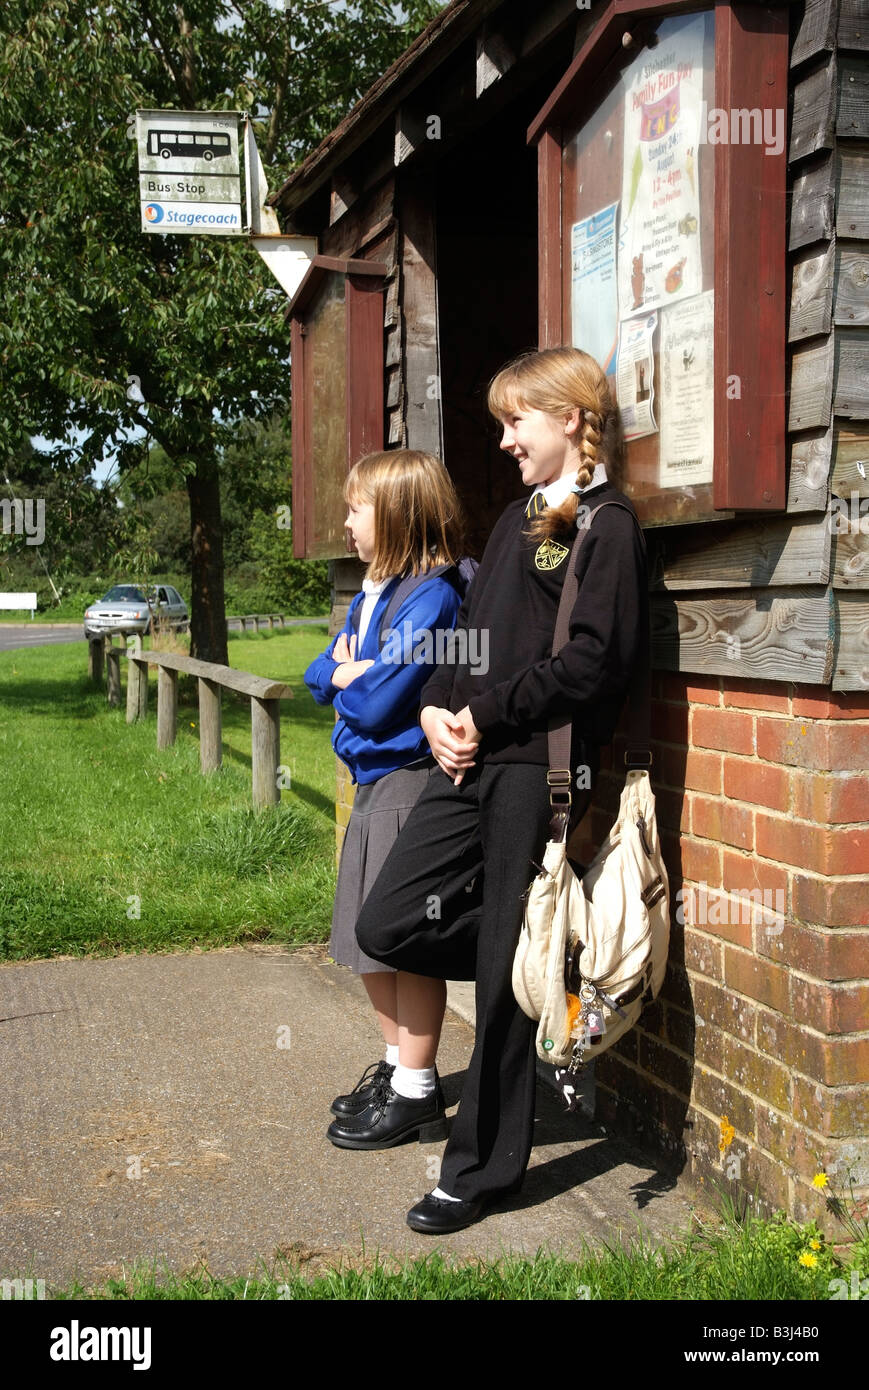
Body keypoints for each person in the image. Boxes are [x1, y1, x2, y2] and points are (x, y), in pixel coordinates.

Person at [340, 347, 650, 1234]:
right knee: (386, 921)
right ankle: (547, 958)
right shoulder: (520, 518)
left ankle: (477, 1172)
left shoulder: (608, 526)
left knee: (502, 983)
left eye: (517, 420)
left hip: (533, 767)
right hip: (467, 758)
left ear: (571, 420)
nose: (506, 439)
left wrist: (490, 714)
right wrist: (439, 710)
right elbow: (470, 639)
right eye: (502, 423)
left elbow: (592, 664)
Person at [303, 449, 469, 1146]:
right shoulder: (374, 590)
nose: (344, 523)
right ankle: (398, 1065)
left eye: (355, 509)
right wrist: (347, 672)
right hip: (371, 784)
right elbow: (318, 674)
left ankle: (417, 1088)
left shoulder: (431, 596)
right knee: (363, 937)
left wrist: (355, 676)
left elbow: (375, 705)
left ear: (397, 514)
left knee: (403, 942)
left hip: (405, 783)